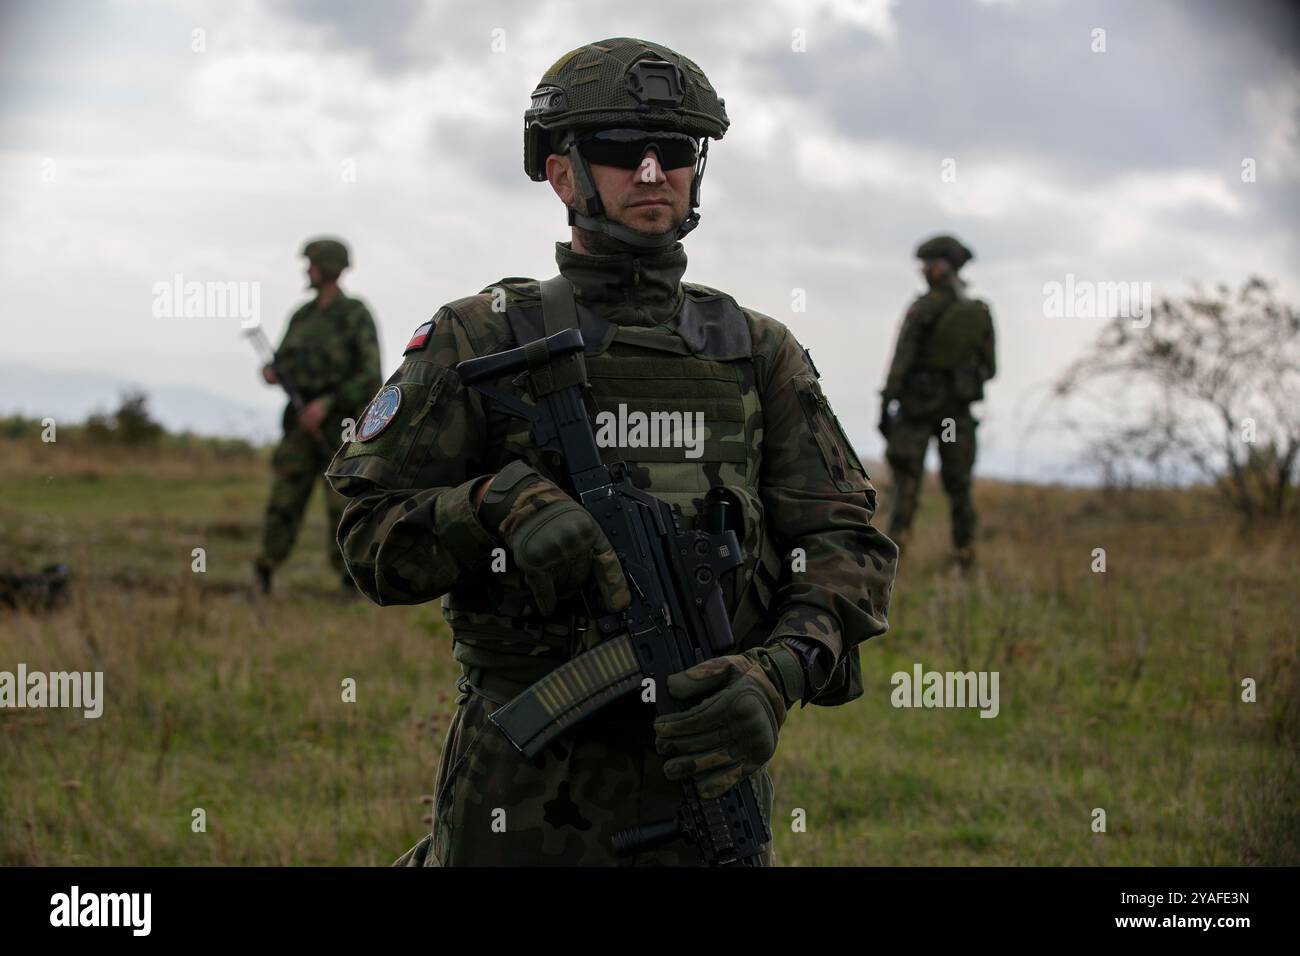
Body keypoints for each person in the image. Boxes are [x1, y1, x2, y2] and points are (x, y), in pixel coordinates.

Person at [326, 38, 897, 866]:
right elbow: (368, 539)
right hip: (523, 792)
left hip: (706, 771)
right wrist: (491, 507)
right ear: (563, 175)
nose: (654, 172)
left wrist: (781, 673)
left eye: (676, 153)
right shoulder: (478, 337)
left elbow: (847, 547)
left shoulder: (756, 351)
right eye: (623, 152)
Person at [255, 237, 381, 595]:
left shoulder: (355, 314)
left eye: (311, 263)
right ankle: (265, 570)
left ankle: (350, 582)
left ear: (326, 267)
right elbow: (283, 362)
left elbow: (370, 374)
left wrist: (327, 404)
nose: (306, 270)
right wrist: (272, 373)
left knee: (341, 507)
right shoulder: (302, 316)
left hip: (340, 429)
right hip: (298, 426)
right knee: (283, 500)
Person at [879, 234, 996, 567]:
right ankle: (965, 552)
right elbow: (990, 368)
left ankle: (894, 554)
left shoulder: (923, 308)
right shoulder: (978, 313)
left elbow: (900, 360)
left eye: (927, 265)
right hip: (956, 413)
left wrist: (887, 402)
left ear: (941, 268)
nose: (922, 271)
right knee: (958, 485)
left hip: (917, 411)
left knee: (906, 482)